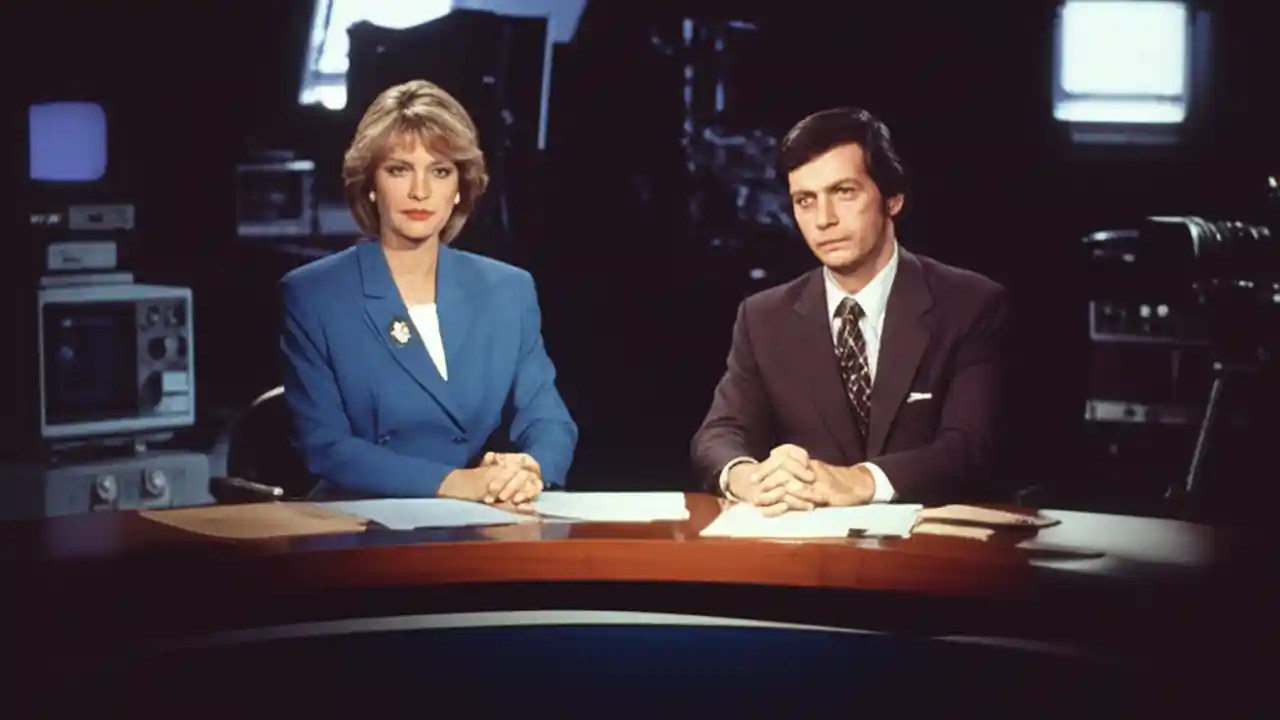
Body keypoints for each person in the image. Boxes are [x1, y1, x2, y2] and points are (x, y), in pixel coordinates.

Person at [690, 107, 1010, 515]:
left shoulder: (971, 304)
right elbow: (719, 434)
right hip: (808, 557)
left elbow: (969, 449)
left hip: (932, 554)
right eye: (805, 201)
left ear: (892, 199)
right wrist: (752, 479)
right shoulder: (763, 317)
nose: (824, 220)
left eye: (844, 192)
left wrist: (858, 481)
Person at [280, 79, 577, 502]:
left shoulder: (507, 290)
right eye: (399, 169)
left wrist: (528, 468)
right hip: (358, 525)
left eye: (439, 171)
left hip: (477, 520)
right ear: (370, 182)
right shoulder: (315, 295)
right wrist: (456, 483)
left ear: (459, 188)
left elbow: (549, 420)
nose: (420, 191)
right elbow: (325, 446)